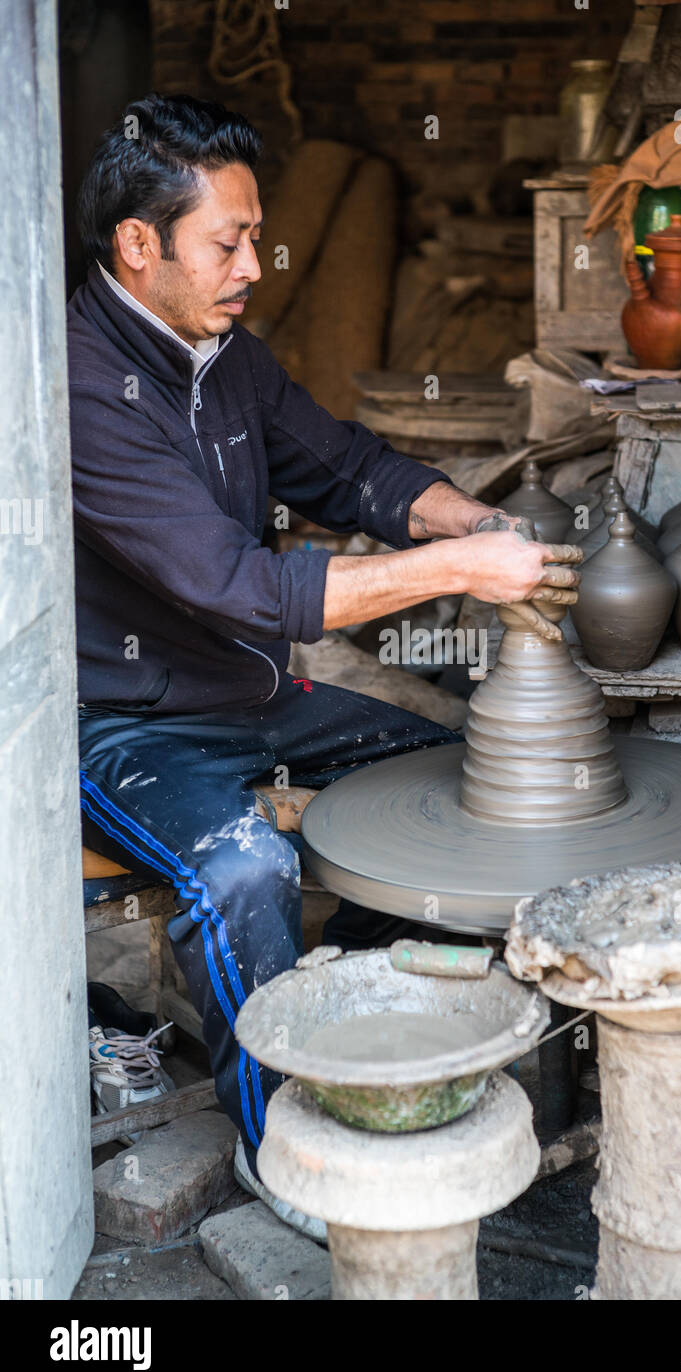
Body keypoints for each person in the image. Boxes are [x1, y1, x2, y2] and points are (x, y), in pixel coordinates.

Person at [70, 93, 580, 1231]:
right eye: (230, 242)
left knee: (459, 781)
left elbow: (349, 470)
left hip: (249, 694)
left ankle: (339, 1007)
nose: (256, 261)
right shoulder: (80, 389)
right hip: (124, 724)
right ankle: (282, 1150)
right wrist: (460, 576)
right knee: (245, 870)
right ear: (137, 245)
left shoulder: (223, 354)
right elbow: (243, 586)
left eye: (256, 235)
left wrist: (463, 521)